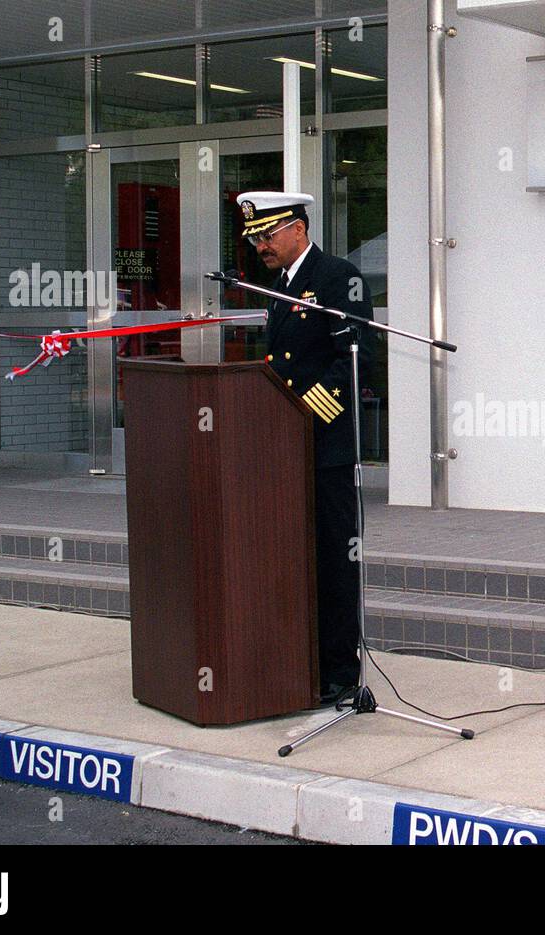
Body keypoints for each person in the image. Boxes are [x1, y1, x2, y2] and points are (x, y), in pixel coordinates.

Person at [237, 191, 375, 705]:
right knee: (293, 559)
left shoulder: (338, 276)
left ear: (297, 227)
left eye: (268, 235)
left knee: (335, 560)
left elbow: (357, 357)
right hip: (285, 447)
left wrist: (306, 414)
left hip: (325, 446)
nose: (260, 247)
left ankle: (339, 671)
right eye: (254, 239)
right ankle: (300, 660)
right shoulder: (279, 285)